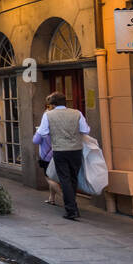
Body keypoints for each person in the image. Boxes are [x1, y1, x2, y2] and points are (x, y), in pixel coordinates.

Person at [35, 91, 91, 220]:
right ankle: (73, 206)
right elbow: (85, 130)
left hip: (60, 150)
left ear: (53, 104)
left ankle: (71, 210)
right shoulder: (77, 113)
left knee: (64, 179)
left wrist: (55, 134)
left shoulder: (49, 115)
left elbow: (43, 132)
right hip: (76, 150)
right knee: (73, 178)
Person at [33, 101, 62, 206]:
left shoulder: (43, 129)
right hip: (59, 153)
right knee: (53, 177)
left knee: (49, 178)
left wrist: (38, 130)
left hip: (47, 157)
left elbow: (35, 140)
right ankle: (52, 198)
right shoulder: (59, 127)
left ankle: (65, 198)